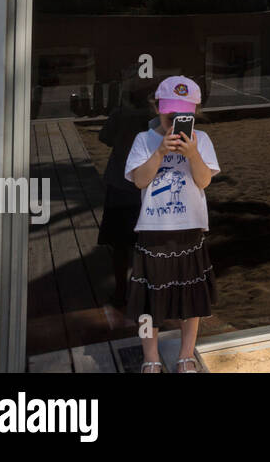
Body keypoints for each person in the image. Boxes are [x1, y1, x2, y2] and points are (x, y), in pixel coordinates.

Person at [124, 76, 220, 373]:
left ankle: (185, 355)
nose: (176, 122)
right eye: (170, 116)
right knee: (147, 303)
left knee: (192, 298)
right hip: (154, 231)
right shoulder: (144, 140)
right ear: (158, 108)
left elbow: (204, 180)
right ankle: (150, 357)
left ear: (194, 113)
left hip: (189, 228)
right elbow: (139, 180)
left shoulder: (201, 140)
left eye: (184, 116)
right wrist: (161, 151)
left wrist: (191, 154)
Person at [96, 80, 152, 310]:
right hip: (146, 187)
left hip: (120, 184)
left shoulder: (120, 115)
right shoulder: (152, 118)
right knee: (145, 244)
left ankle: (121, 291)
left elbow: (104, 138)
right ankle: (143, 290)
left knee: (120, 245)